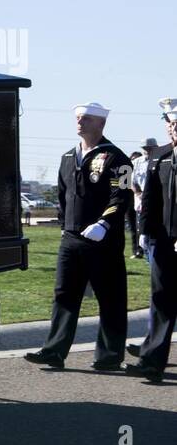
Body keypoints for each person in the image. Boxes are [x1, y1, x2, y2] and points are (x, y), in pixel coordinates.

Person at [24, 102, 131, 372]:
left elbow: (122, 196)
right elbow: (62, 195)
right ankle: (54, 351)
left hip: (102, 239)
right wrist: (64, 225)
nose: (80, 123)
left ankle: (109, 356)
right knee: (64, 294)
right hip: (71, 238)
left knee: (110, 297)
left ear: (101, 124)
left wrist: (104, 223)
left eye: (86, 119)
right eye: (78, 118)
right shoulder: (68, 157)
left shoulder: (118, 158)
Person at [128, 102, 177, 381]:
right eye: (170, 124)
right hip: (163, 240)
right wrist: (145, 232)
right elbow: (150, 199)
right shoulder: (161, 158)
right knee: (161, 299)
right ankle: (151, 361)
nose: (173, 129)